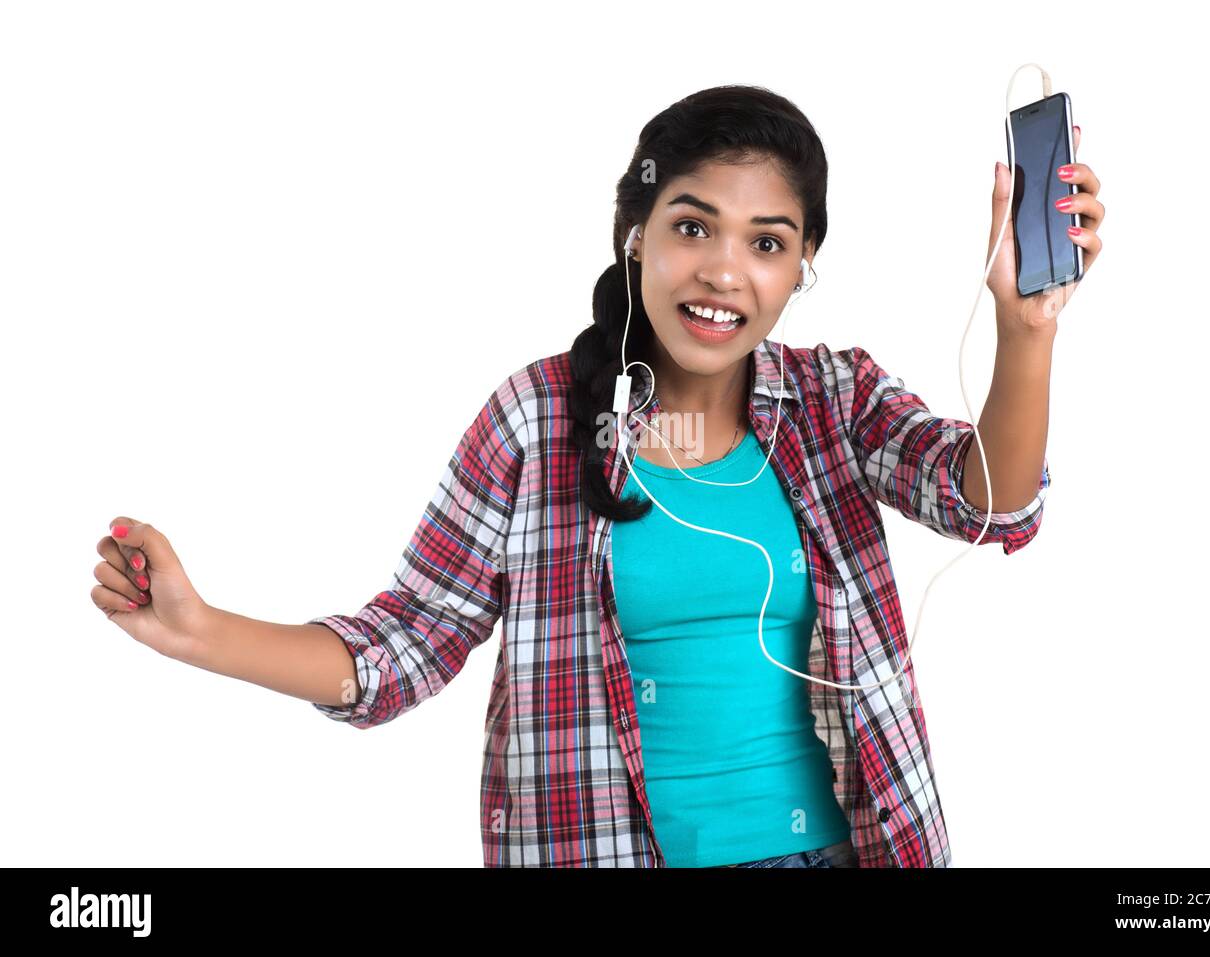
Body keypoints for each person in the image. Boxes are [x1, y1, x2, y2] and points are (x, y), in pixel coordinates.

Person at [92, 84, 1086, 867]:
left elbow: (988, 499)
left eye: (767, 243)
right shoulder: (533, 419)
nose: (724, 271)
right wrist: (203, 632)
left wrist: (1023, 329)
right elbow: (407, 644)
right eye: (692, 226)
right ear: (636, 234)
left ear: (802, 266)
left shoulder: (833, 400)